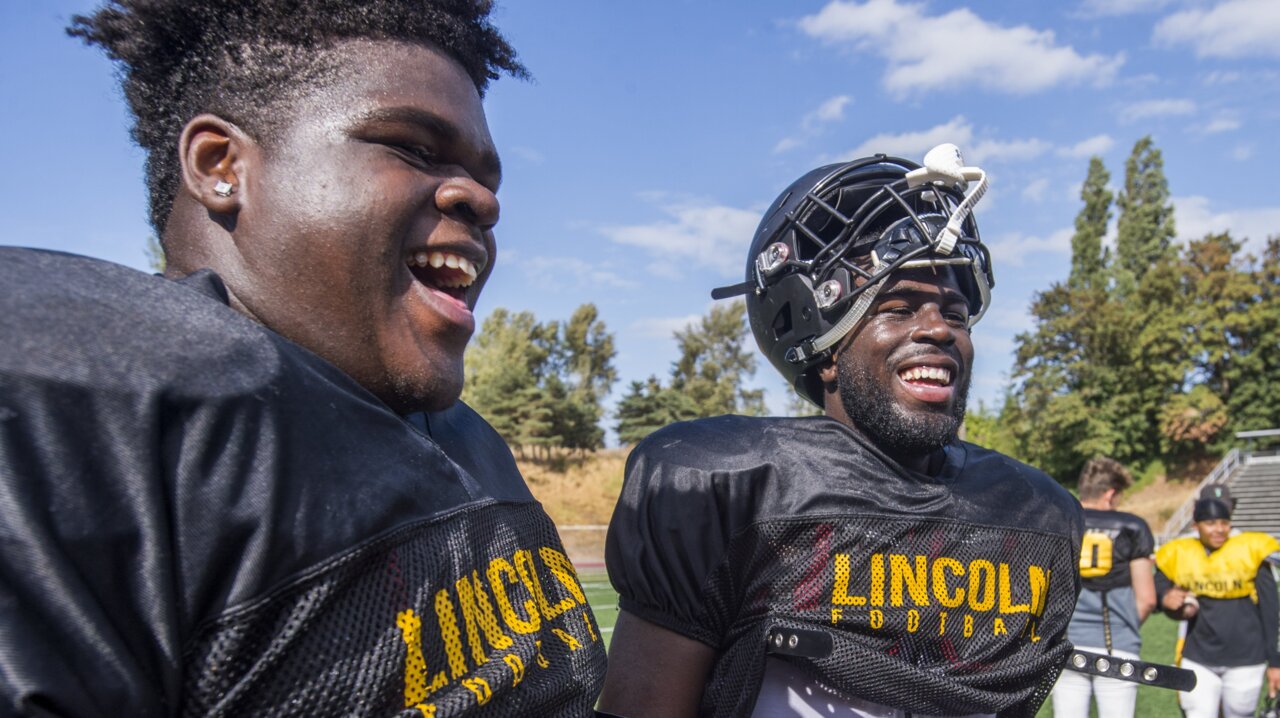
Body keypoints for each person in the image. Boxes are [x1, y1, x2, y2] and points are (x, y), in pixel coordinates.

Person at [0, 1, 607, 715]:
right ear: (220, 165)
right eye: (414, 147)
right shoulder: (82, 401)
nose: (481, 199)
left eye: (488, 178)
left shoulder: (467, 443)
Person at [598, 145, 1084, 718]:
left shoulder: (1038, 513)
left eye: (955, 314)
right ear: (825, 350)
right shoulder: (725, 484)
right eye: (898, 308)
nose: (938, 330)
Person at [1156, 494, 1280, 718]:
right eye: (1211, 523)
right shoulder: (1180, 552)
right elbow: (1157, 589)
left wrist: (1275, 662)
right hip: (1199, 654)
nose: (1219, 529)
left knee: (1241, 713)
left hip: (1246, 657)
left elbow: (1271, 609)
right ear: (1196, 526)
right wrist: (1166, 598)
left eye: (1224, 522)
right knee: (1198, 713)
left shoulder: (1249, 550)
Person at [1050, 457, 1156, 718]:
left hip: (1066, 645)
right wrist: (1125, 628)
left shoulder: (1060, 521)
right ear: (1110, 494)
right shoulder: (1133, 526)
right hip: (1116, 644)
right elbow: (1147, 599)